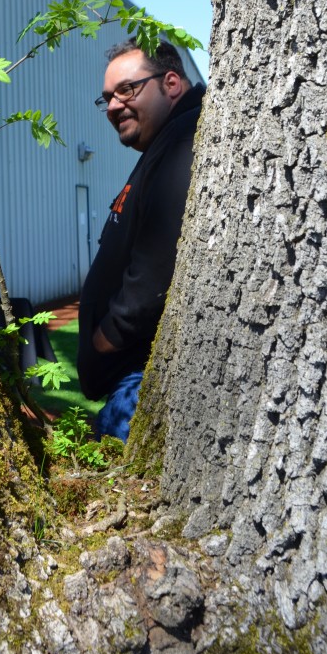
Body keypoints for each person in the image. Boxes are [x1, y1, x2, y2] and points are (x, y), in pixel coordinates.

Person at [77, 39, 205, 441]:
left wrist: (105, 338)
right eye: (107, 99)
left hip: (139, 380)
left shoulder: (185, 137)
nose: (113, 106)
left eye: (127, 90)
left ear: (171, 83)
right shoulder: (164, 144)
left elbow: (156, 269)